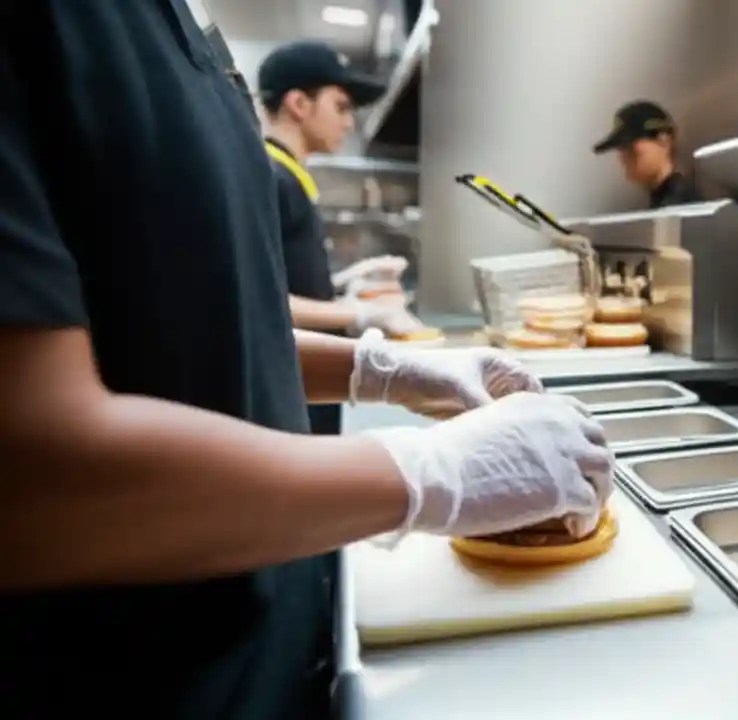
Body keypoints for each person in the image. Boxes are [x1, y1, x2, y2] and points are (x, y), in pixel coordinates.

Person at [0, 3, 612, 718]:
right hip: (141, 682)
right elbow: (29, 479)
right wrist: (425, 472)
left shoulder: (176, 27)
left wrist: (378, 370)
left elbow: (186, 331)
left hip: (275, 646)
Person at [257, 39, 419, 436]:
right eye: (341, 106)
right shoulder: (270, 179)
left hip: (307, 389)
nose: (348, 123)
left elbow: (283, 279)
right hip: (291, 394)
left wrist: (347, 282)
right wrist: (362, 313)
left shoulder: (290, 176)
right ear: (299, 103)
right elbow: (263, 303)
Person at [593, 100, 702, 209]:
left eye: (629, 146)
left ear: (663, 140)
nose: (624, 157)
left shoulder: (683, 205)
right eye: (620, 148)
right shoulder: (667, 199)